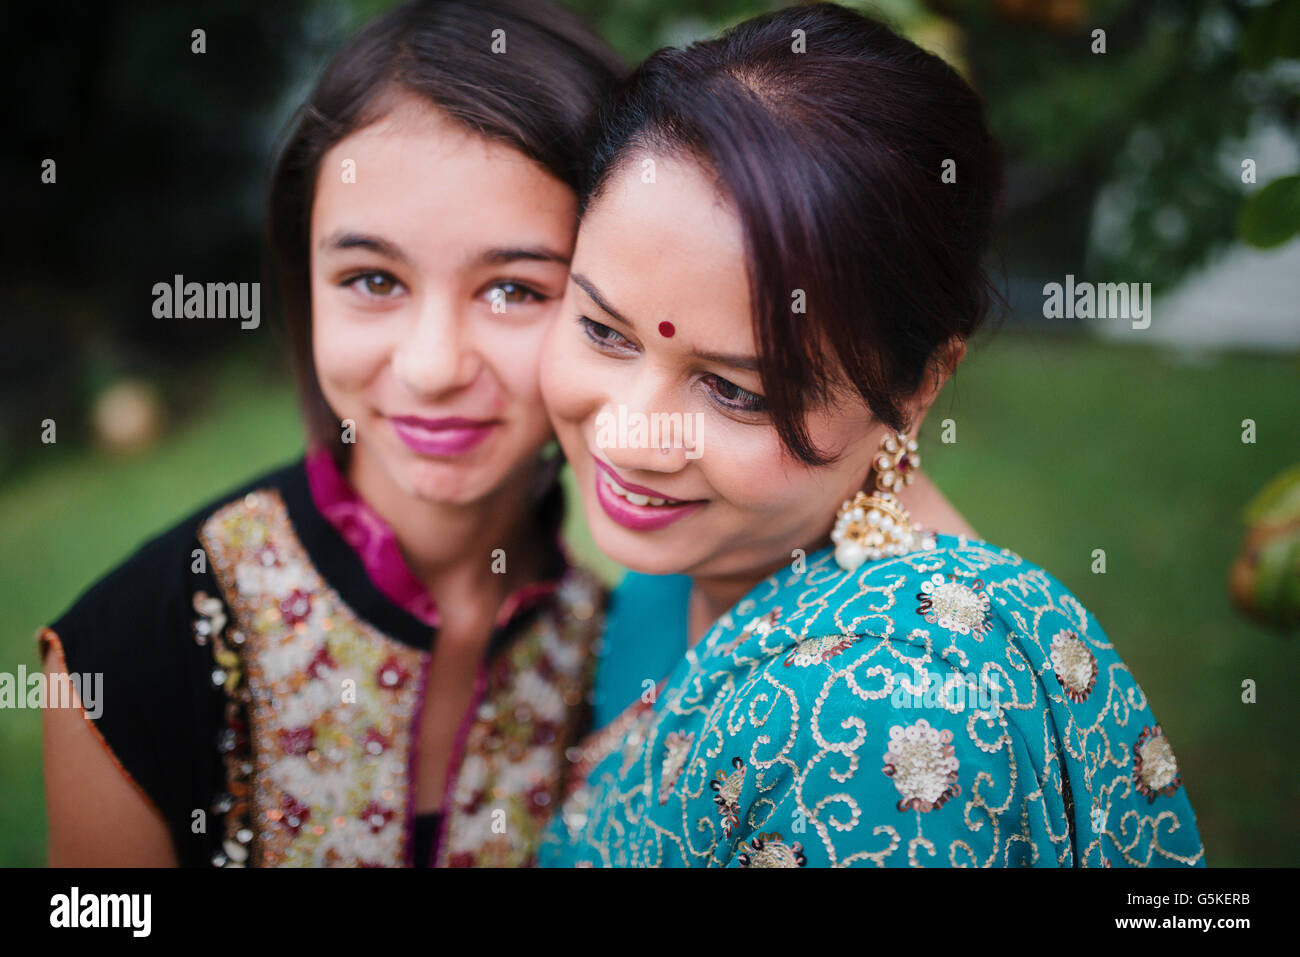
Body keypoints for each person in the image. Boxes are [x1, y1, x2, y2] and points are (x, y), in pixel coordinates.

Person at [536, 2, 1205, 867]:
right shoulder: (685, 571)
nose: (628, 436)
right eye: (602, 330)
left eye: (735, 389)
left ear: (918, 386)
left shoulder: (894, 713)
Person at [40, 0, 622, 868]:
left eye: (513, 289)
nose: (431, 366)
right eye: (372, 278)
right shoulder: (134, 647)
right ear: (302, 278)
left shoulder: (616, 656)